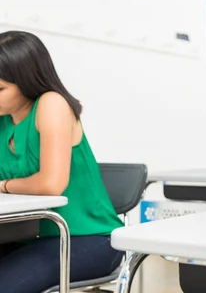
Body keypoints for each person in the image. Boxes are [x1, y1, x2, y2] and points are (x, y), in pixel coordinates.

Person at [0, 31, 124, 293]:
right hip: (29, 236)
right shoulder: (3, 118)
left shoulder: (51, 104)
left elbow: (51, 184)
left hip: (88, 239)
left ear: (27, 81)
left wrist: (3, 185)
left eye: (0, 88)